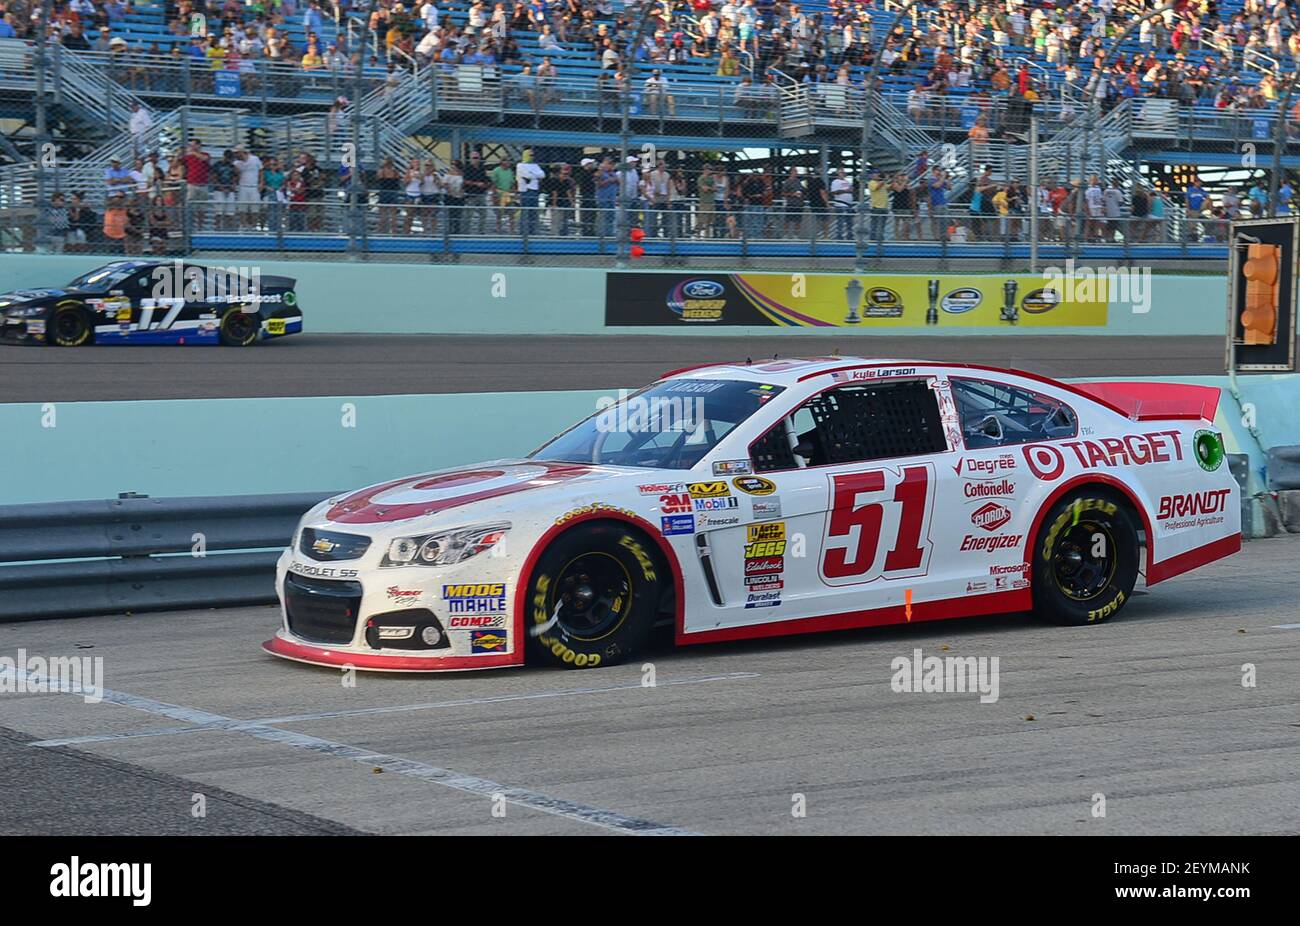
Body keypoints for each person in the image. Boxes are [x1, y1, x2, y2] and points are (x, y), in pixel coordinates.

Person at [235, 148, 263, 230]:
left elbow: (261, 171)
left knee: (255, 207)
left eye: (237, 153)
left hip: (254, 186)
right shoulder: (236, 163)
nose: (236, 155)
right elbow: (236, 175)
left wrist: (261, 183)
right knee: (242, 207)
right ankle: (244, 225)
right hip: (242, 187)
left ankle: (254, 226)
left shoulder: (255, 159)